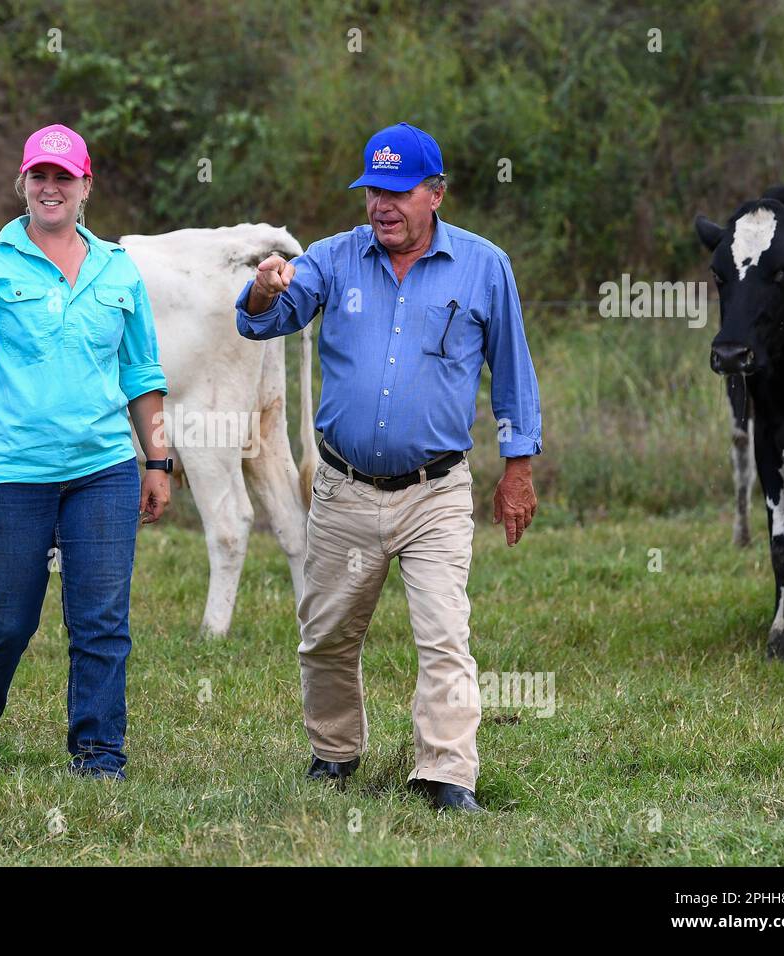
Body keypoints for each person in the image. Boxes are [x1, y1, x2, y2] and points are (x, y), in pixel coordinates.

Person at [235, 122, 542, 811]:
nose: (383, 205)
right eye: (374, 190)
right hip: (343, 490)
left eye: (399, 192)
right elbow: (265, 320)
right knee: (326, 637)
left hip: (436, 491)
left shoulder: (483, 266)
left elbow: (513, 371)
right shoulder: (330, 258)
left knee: (443, 635)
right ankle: (334, 755)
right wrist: (262, 288)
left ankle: (447, 773)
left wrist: (517, 466)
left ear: (436, 194)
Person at [0, 123, 173, 779]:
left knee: (101, 621)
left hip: (102, 471)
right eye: (41, 176)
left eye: (65, 177)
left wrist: (157, 461)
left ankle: (99, 756)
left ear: (86, 185)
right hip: (7, 474)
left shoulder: (119, 269)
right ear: (24, 184)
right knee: (6, 619)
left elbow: (142, 374)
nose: (51, 188)